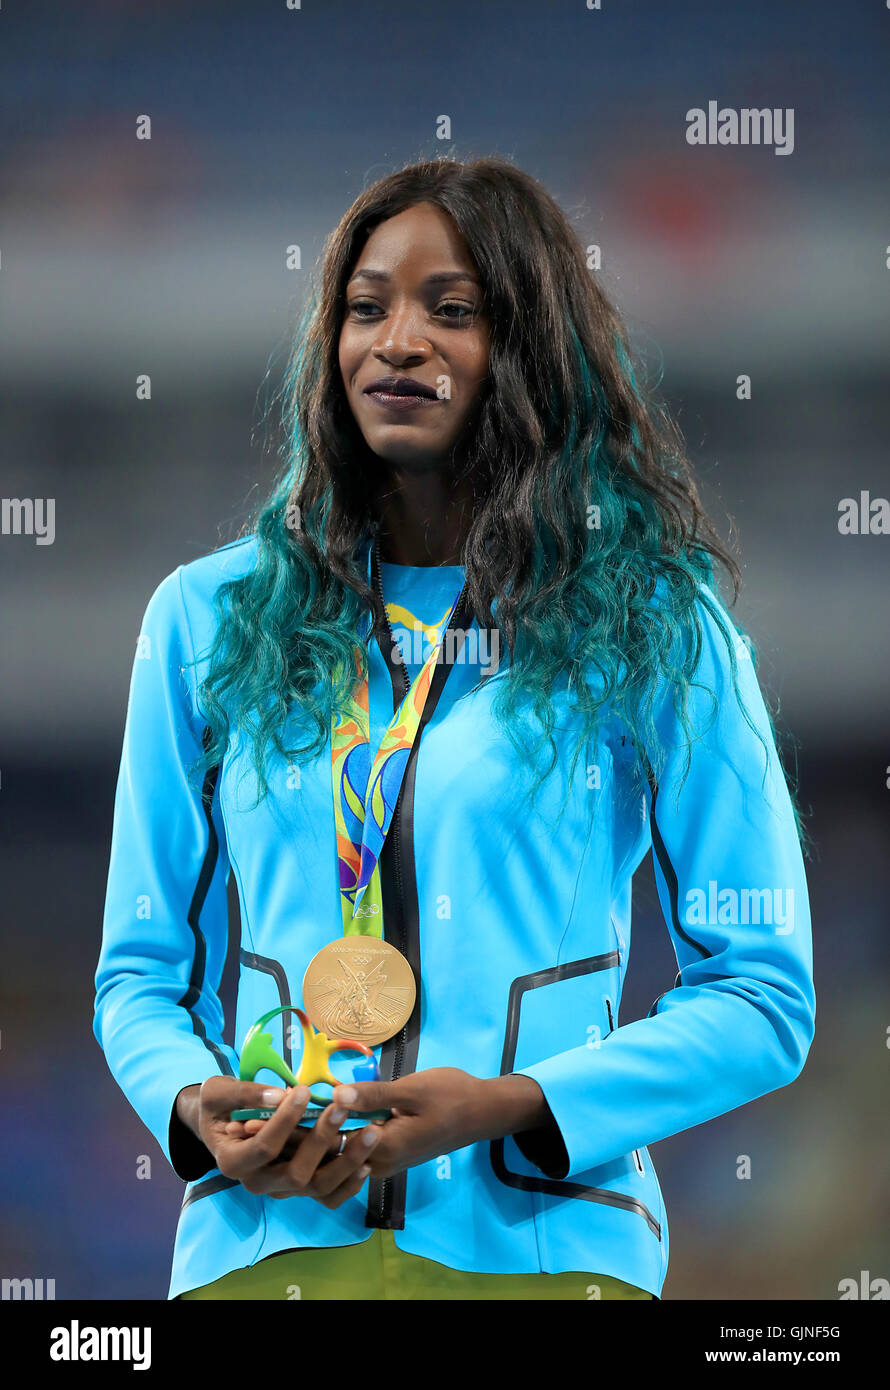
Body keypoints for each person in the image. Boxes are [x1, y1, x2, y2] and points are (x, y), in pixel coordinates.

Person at [93, 156, 815, 1300]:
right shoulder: (206, 618)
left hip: (544, 1252)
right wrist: (194, 1106)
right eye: (365, 307)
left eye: (453, 311)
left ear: (530, 351)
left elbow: (763, 995)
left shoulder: (656, 624)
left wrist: (522, 1107)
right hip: (262, 1252)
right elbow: (138, 974)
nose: (398, 342)